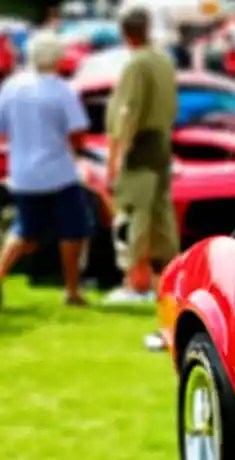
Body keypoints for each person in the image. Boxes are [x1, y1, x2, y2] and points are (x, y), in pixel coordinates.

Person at [0, 31, 90, 309]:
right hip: (58, 172)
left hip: (23, 173)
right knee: (73, 229)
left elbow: (3, 129)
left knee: (23, 230)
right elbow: (77, 134)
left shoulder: (12, 87)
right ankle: (72, 288)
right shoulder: (63, 90)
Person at [104, 5, 179, 305]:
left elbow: (129, 110)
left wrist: (115, 154)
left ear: (125, 32)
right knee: (161, 214)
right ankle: (169, 279)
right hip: (161, 141)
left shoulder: (137, 64)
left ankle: (136, 282)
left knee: (137, 214)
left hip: (141, 144)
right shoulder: (163, 60)